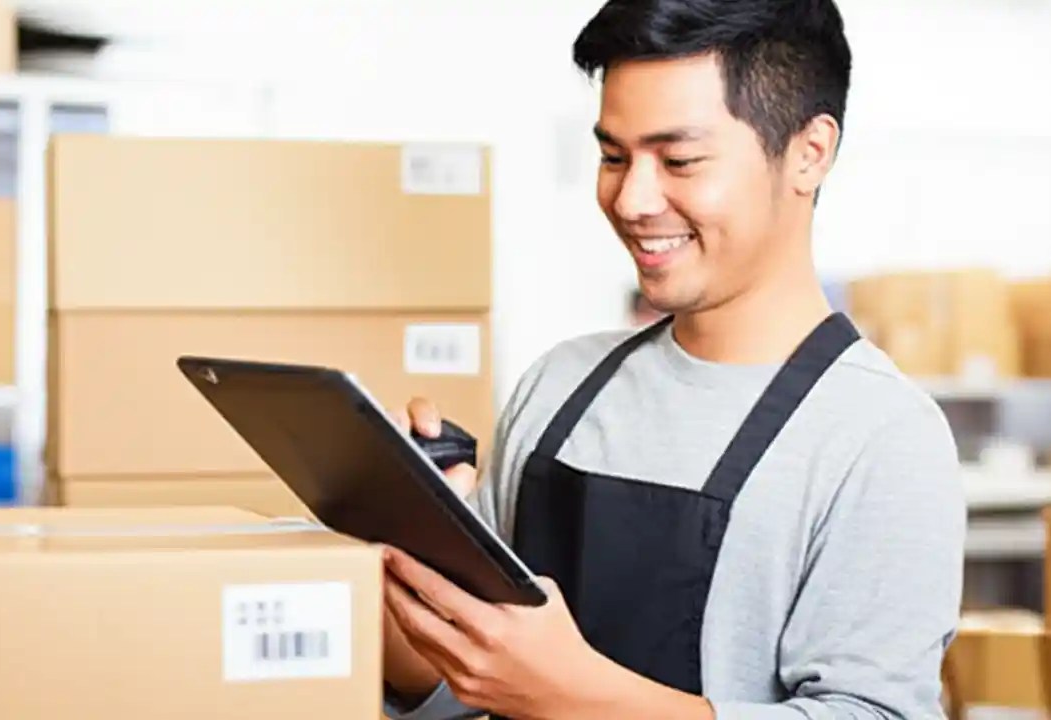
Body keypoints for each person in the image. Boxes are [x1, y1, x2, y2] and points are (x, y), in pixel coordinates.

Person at [380, 1, 967, 719]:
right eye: (613, 157)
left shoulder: (880, 435)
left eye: (680, 160)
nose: (631, 199)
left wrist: (575, 697)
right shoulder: (560, 386)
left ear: (809, 152)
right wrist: (404, 546)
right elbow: (456, 689)